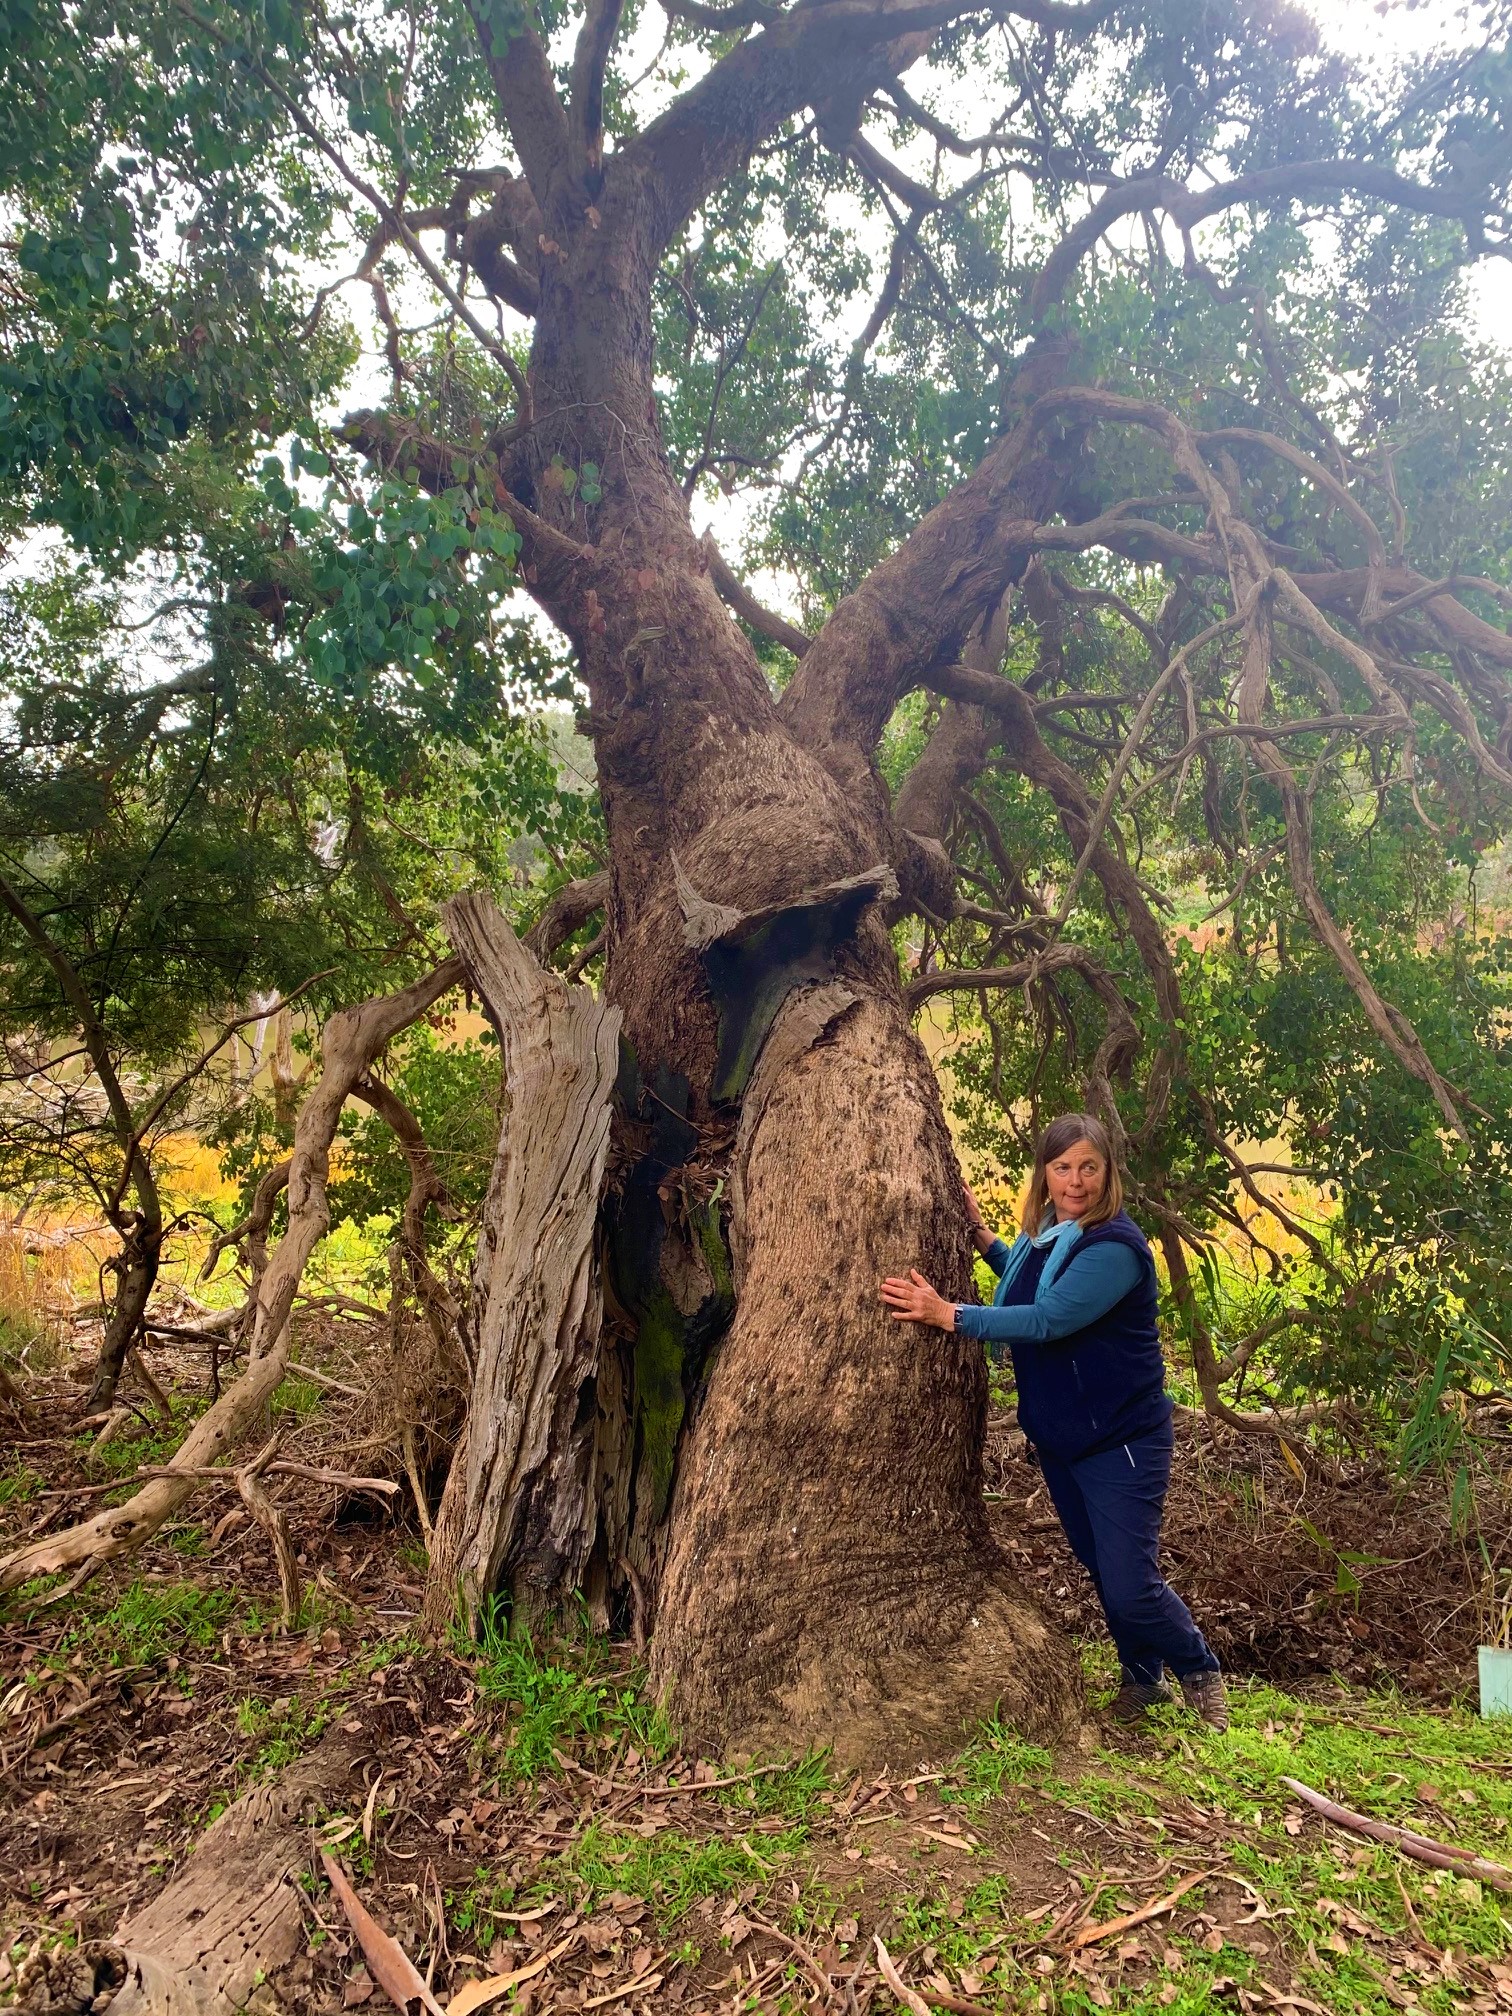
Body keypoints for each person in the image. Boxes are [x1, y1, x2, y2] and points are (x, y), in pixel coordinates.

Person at [879, 1112, 1228, 1730]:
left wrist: (948, 1314)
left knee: (1129, 1583)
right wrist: (983, 1239)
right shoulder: (1049, 1235)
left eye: (1089, 1167)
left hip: (1120, 1439)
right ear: (1044, 1174)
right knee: (1103, 1568)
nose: (1076, 1181)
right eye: (1062, 1167)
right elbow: (1031, 1283)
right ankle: (1143, 1682)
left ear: (1109, 1173)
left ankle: (1198, 1668)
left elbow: (1047, 1318)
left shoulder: (1113, 1247)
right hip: (1065, 1438)